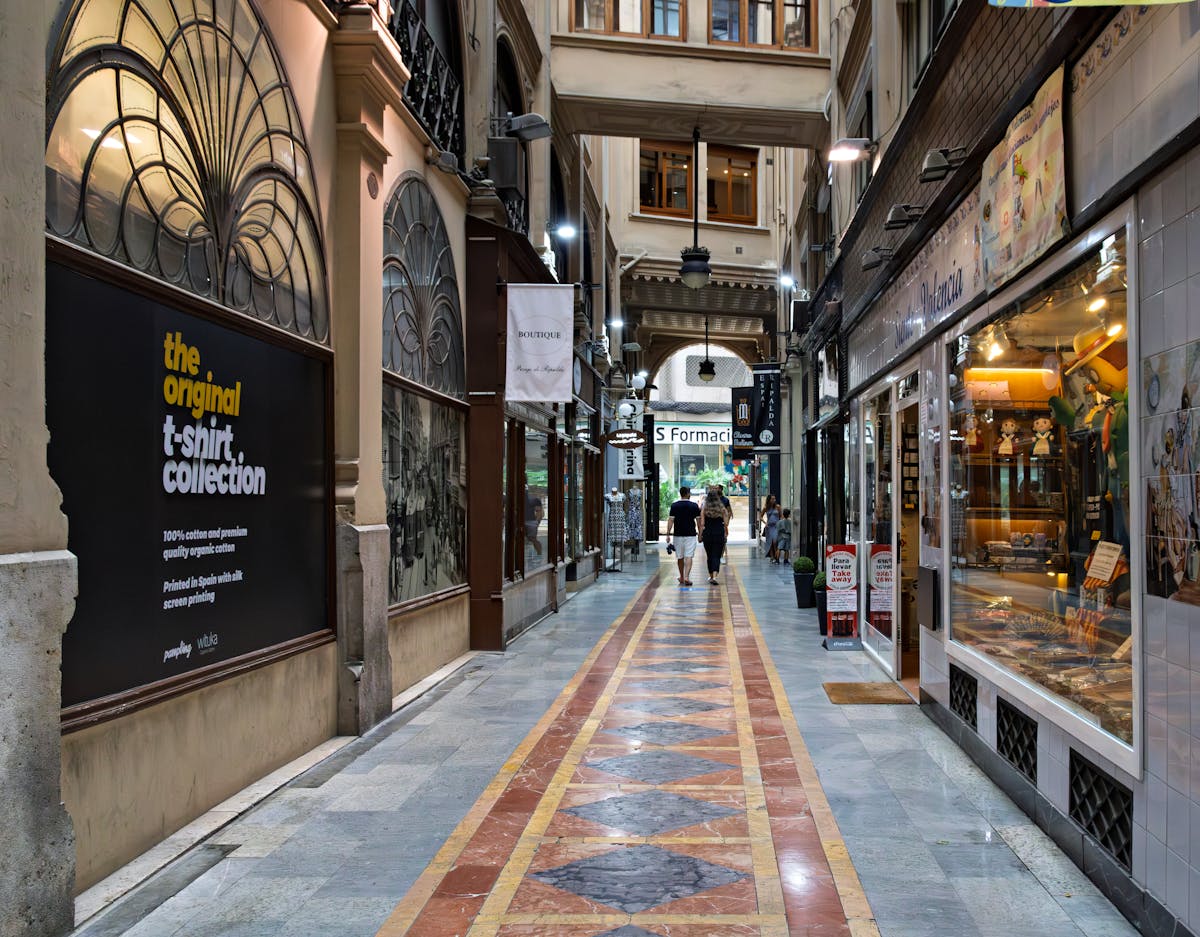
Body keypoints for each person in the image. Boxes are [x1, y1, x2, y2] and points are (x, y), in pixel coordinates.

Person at [665, 485, 701, 586]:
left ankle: (681, 576)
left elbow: (671, 520)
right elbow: (699, 521)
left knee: (680, 556)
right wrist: (700, 534)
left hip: (678, 535)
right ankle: (686, 577)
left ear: (680, 494)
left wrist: (668, 534)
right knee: (689, 556)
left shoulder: (674, 505)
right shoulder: (694, 506)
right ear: (688, 494)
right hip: (690, 534)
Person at [699, 486, 729, 584]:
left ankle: (711, 575)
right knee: (716, 555)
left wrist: (700, 535)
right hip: (719, 533)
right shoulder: (722, 508)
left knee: (709, 555)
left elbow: (702, 524)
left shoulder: (705, 508)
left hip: (708, 533)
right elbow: (726, 523)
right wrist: (725, 530)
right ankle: (715, 576)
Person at [761, 495, 781, 563]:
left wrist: (780, 524)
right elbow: (760, 517)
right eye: (772, 499)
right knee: (770, 542)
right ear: (769, 500)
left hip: (776, 526)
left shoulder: (778, 507)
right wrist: (765, 523)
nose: (774, 500)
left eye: (774, 499)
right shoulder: (766, 508)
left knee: (775, 541)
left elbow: (781, 516)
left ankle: (776, 556)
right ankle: (772, 557)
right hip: (769, 527)